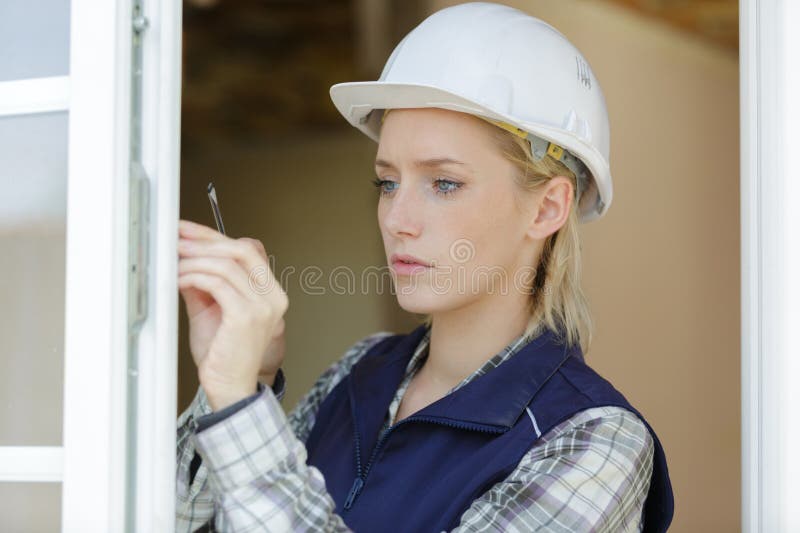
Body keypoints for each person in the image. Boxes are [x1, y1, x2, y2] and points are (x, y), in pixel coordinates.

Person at [175, 2, 674, 532]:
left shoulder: (593, 444)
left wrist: (239, 414)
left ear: (547, 207)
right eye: (387, 182)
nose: (396, 219)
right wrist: (244, 380)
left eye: (444, 184)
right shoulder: (359, 372)